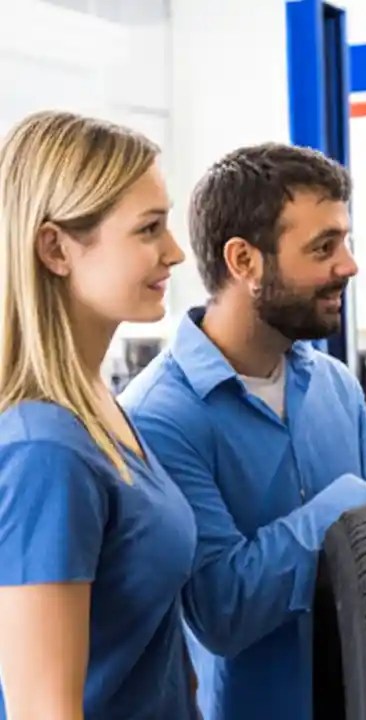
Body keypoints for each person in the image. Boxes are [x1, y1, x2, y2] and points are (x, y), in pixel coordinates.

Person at [118, 143, 366, 720]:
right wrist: (352, 501)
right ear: (244, 261)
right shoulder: (157, 417)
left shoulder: (335, 385)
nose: (347, 265)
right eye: (324, 247)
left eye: (345, 242)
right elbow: (222, 610)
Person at [0, 110, 196, 718]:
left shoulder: (100, 411)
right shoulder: (45, 450)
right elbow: (44, 712)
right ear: (56, 248)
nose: (176, 252)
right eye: (149, 229)